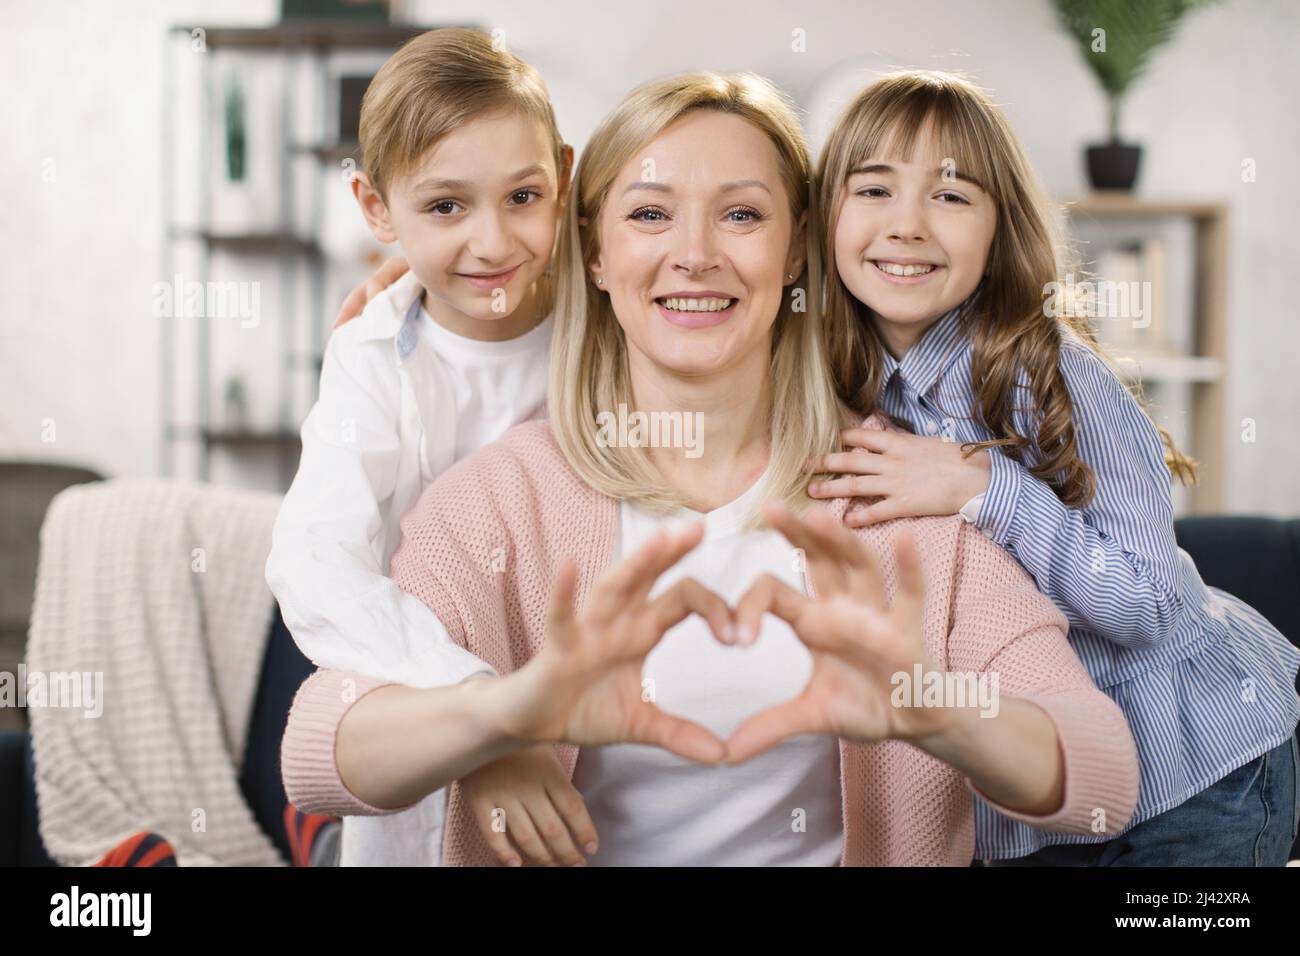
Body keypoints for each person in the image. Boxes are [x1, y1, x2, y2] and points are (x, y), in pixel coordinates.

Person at [279, 71, 1139, 867]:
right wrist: (503, 715)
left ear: (798, 248)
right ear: (596, 253)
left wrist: (935, 711)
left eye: (741, 215)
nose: (695, 255)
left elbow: (1104, 781)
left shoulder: (894, 490)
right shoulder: (500, 501)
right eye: (650, 215)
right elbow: (318, 749)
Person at [808, 70, 1300, 865]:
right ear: (823, 215)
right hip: (1046, 791)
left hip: (1198, 776)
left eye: (951, 197)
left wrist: (983, 486)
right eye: (873, 190)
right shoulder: (841, 383)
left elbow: (1144, 604)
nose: (906, 225)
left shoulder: (1052, 372)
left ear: (999, 230)